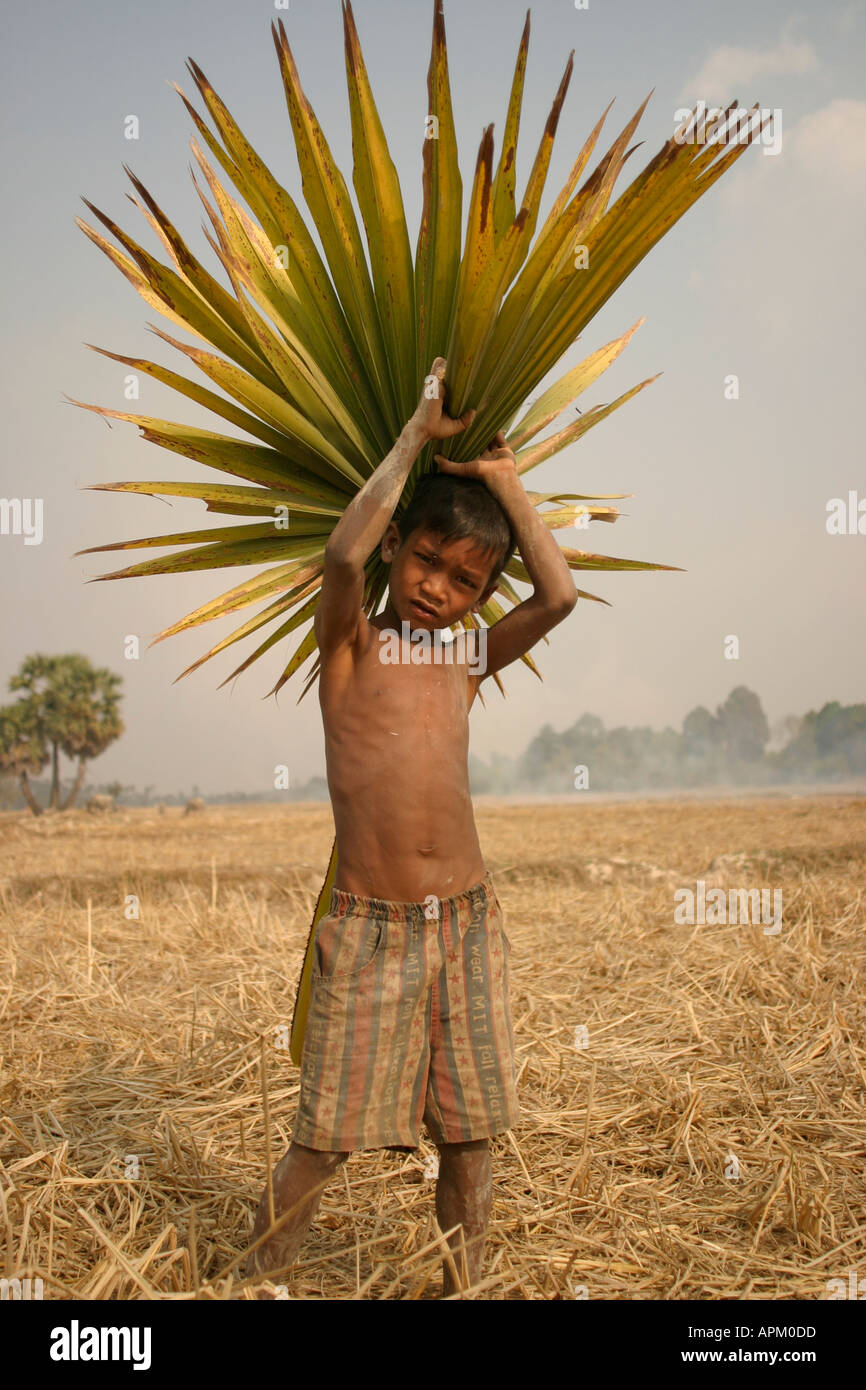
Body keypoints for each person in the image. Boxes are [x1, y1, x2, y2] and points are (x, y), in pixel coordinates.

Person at [244, 356, 577, 1296]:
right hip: (372, 931)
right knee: (325, 1139)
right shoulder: (351, 644)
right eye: (428, 560)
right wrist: (415, 440)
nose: (439, 588)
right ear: (400, 548)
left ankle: (459, 1285)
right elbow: (341, 558)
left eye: (466, 580)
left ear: (480, 597)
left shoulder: (467, 657)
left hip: (467, 925)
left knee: (473, 1133)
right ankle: (255, 1280)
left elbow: (557, 596)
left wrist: (507, 485)